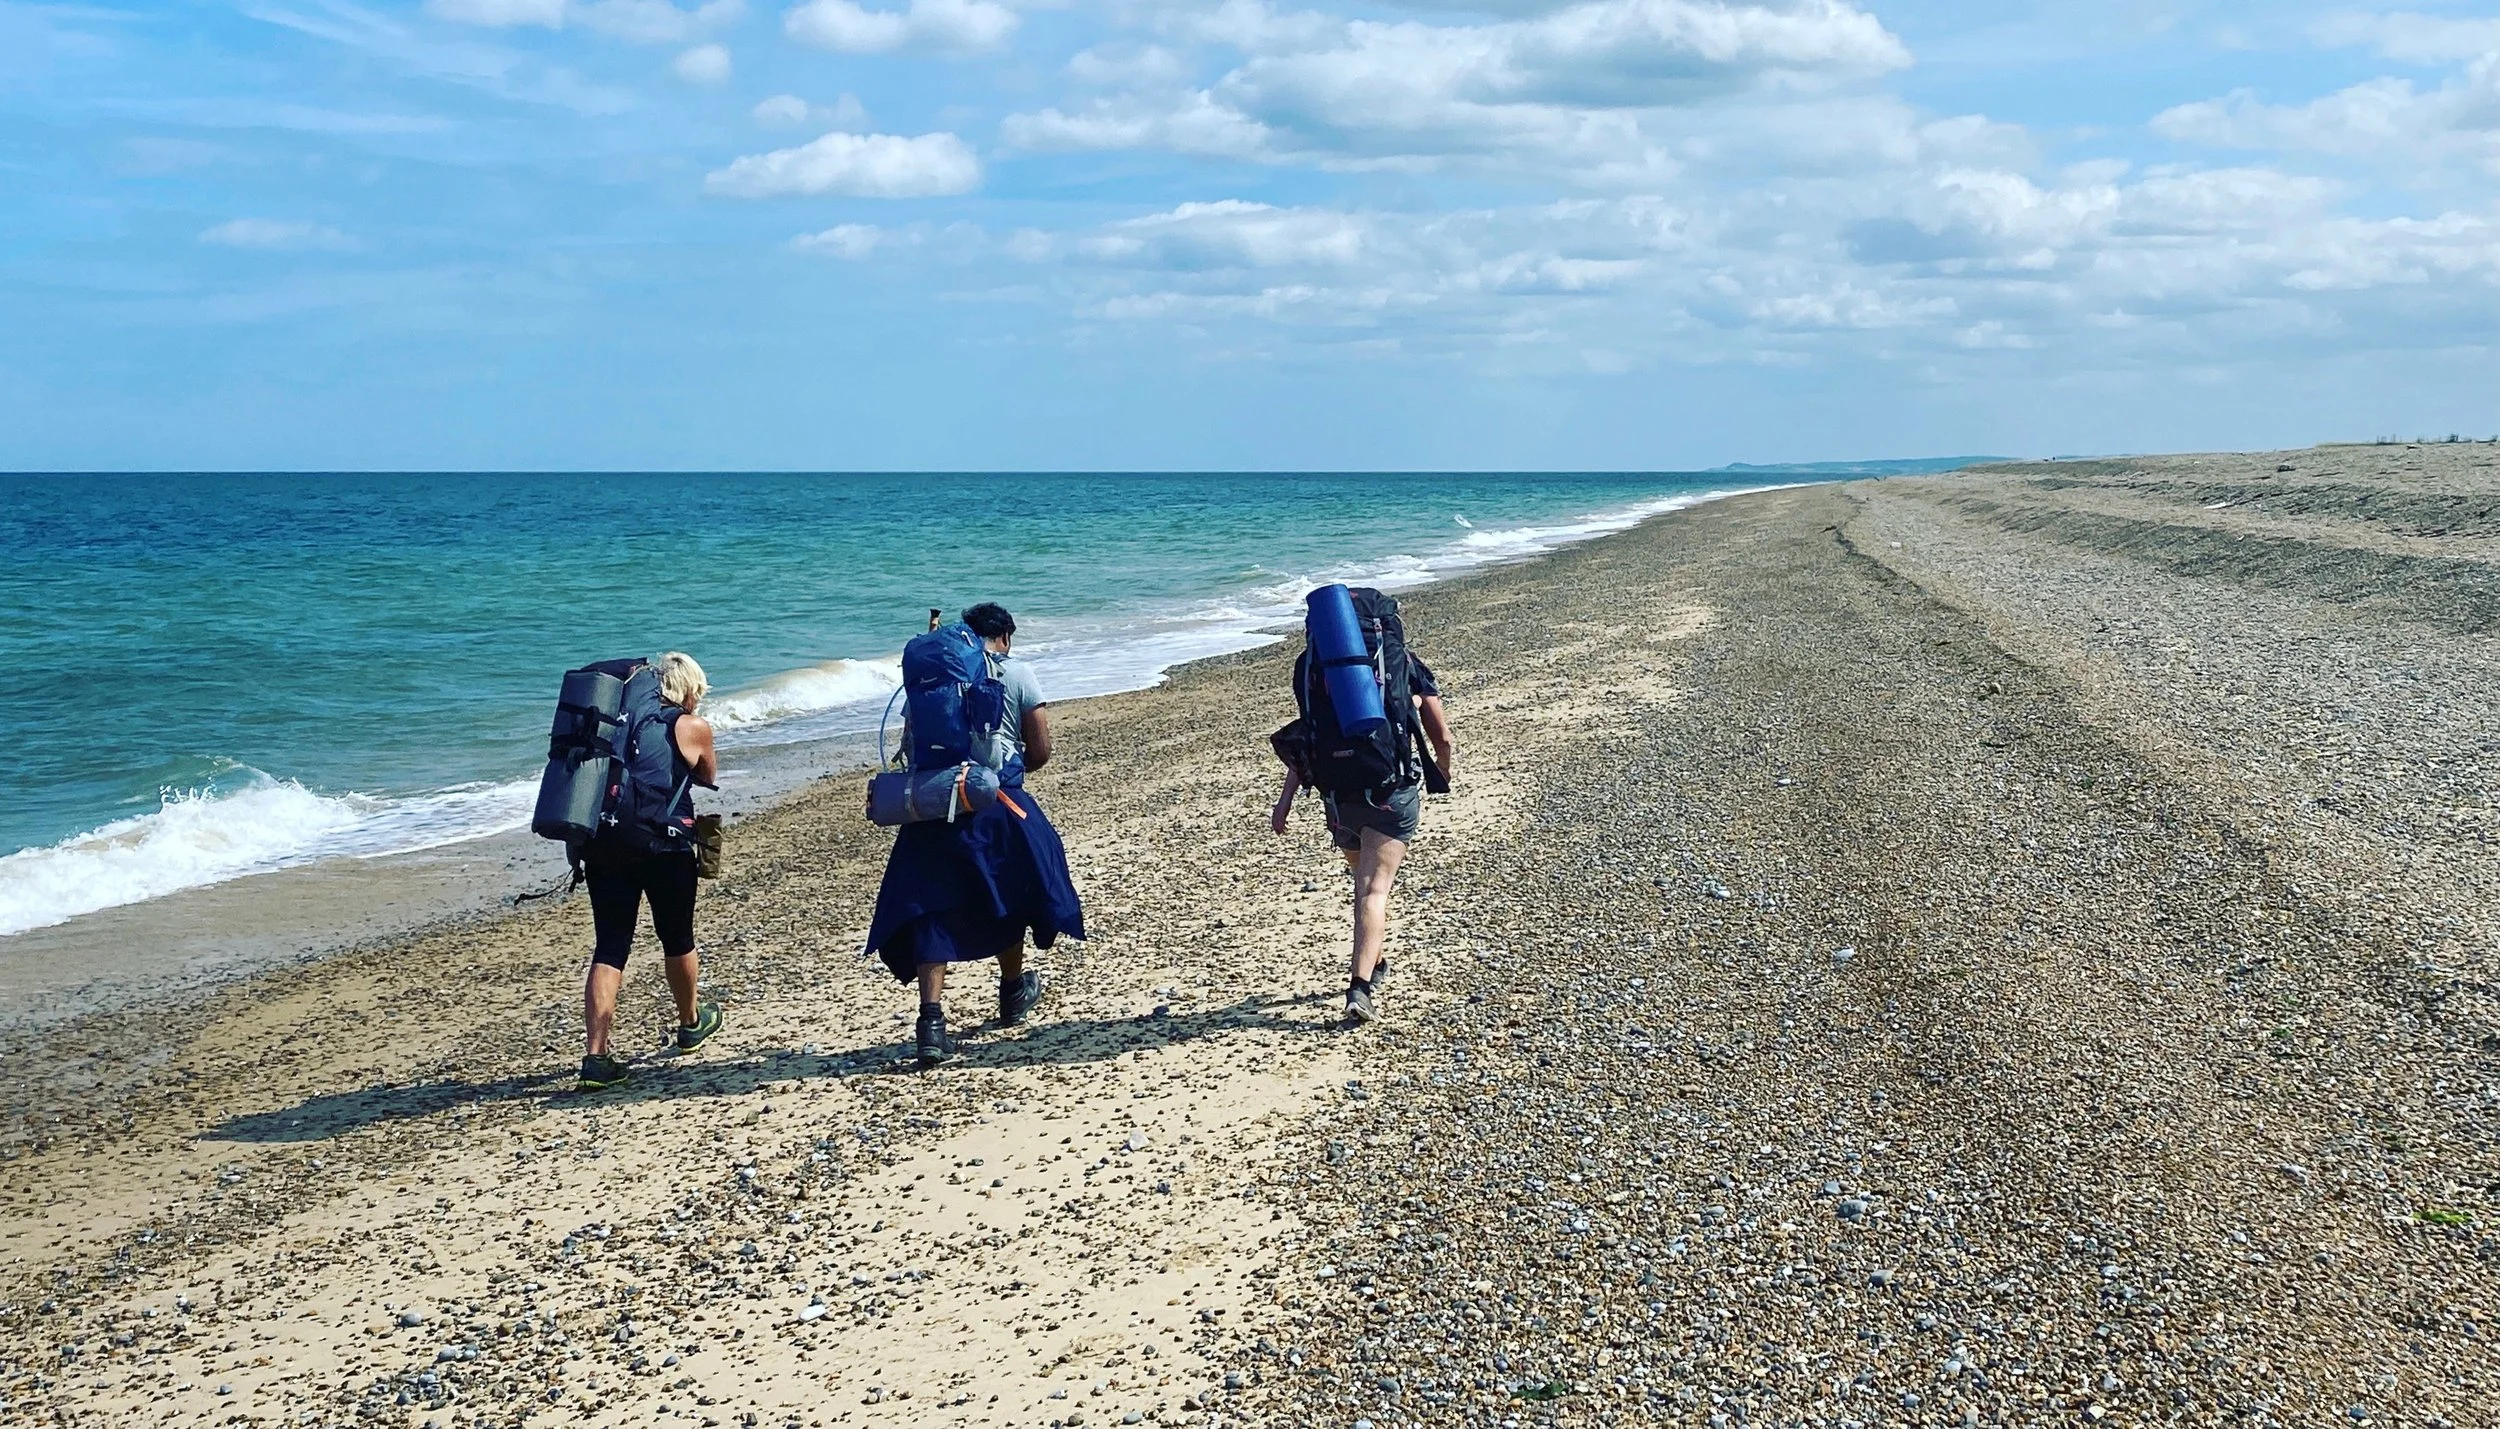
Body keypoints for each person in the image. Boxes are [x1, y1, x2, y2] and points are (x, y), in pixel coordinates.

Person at [865, 602, 1084, 1066]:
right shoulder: (1018, 673)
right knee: (1018, 887)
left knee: (929, 908)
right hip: (994, 802)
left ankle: (931, 1023)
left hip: (933, 804)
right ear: (1004, 636)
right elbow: (1040, 749)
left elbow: (910, 742)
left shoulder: (928, 682)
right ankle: (1011, 992)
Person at [1270, 615, 1456, 1025]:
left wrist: (1284, 801)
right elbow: (1440, 734)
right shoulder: (1403, 661)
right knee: (1373, 893)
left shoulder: (1311, 666)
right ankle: (1360, 988)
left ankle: (1376, 960)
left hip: (1339, 797)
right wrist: (1442, 770)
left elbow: (1312, 733)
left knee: (1364, 886)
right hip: (1392, 794)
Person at [577, 651, 723, 1090]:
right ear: (690, 690)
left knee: (610, 947)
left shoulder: (614, 726)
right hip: (665, 845)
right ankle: (690, 1022)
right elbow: (706, 775)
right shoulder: (690, 726)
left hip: (606, 844)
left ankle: (596, 1056)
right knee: (677, 938)